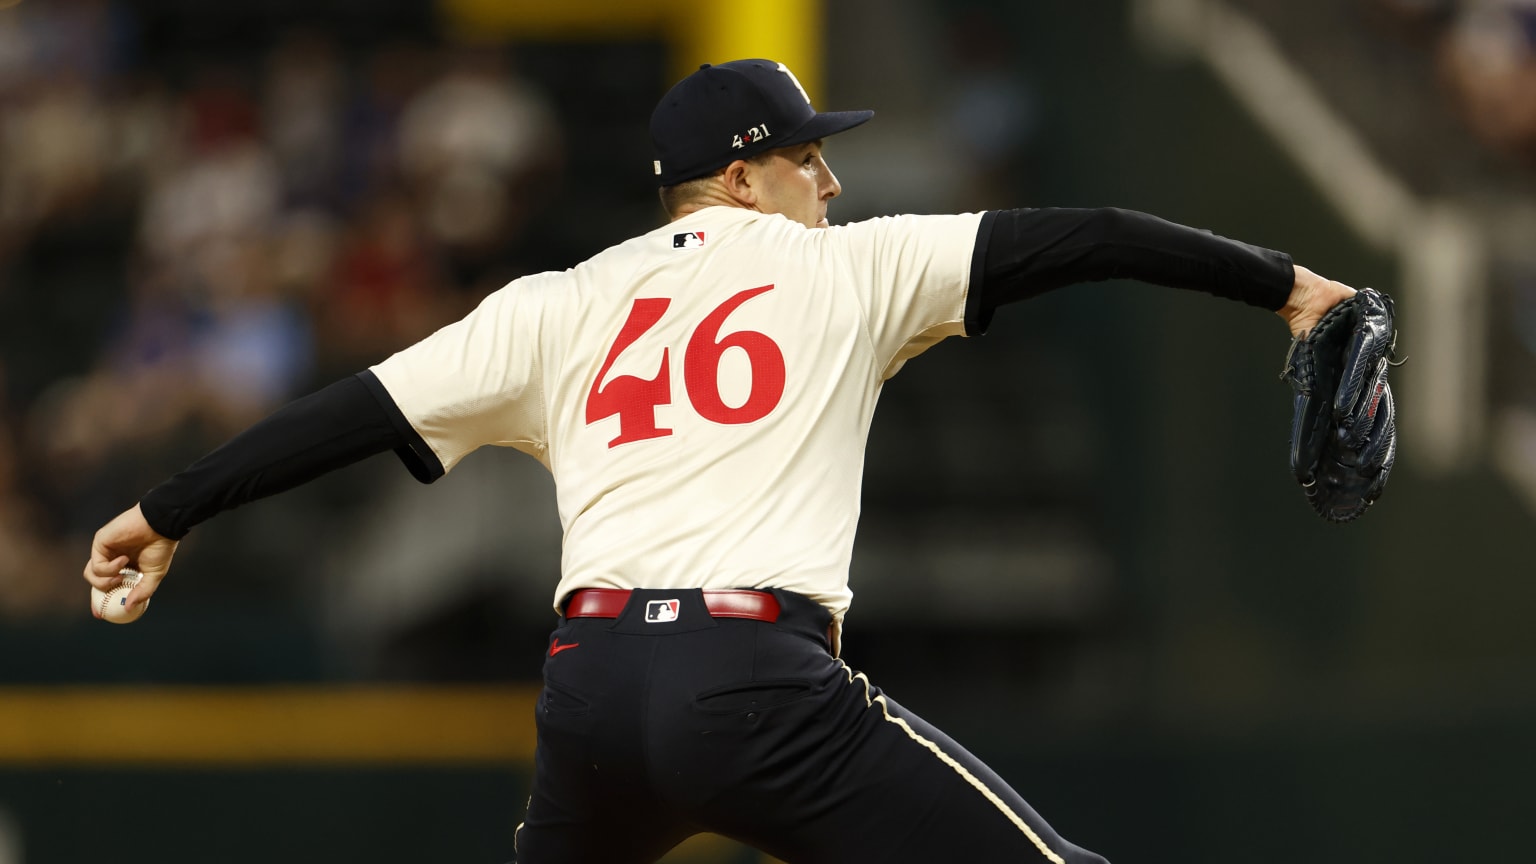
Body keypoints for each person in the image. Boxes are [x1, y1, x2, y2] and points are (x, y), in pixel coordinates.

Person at [84, 59, 1356, 863]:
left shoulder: (557, 302)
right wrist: (1290, 288)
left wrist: (167, 506)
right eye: (809, 155)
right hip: (754, 689)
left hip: (588, 697)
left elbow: (346, 412)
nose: (833, 175)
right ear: (743, 178)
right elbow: (1094, 235)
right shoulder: (850, 266)